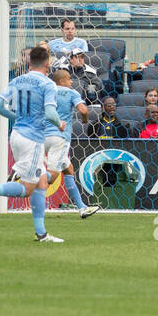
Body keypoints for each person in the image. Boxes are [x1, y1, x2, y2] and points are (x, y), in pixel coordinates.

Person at [0, 45, 65, 243]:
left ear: (29, 62)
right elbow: (50, 113)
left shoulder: (17, 80)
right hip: (33, 139)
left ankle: (41, 233)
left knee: (42, 182)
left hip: (17, 134)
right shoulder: (48, 84)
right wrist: (60, 123)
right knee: (27, 189)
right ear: (47, 64)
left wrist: (16, 117)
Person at [43, 69, 99, 219]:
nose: (71, 82)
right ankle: (26, 177)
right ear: (61, 81)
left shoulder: (47, 91)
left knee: (69, 170)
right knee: (53, 176)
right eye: (69, 79)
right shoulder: (71, 93)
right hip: (60, 138)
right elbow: (83, 109)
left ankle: (82, 208)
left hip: (43, 136)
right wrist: (85, 119)